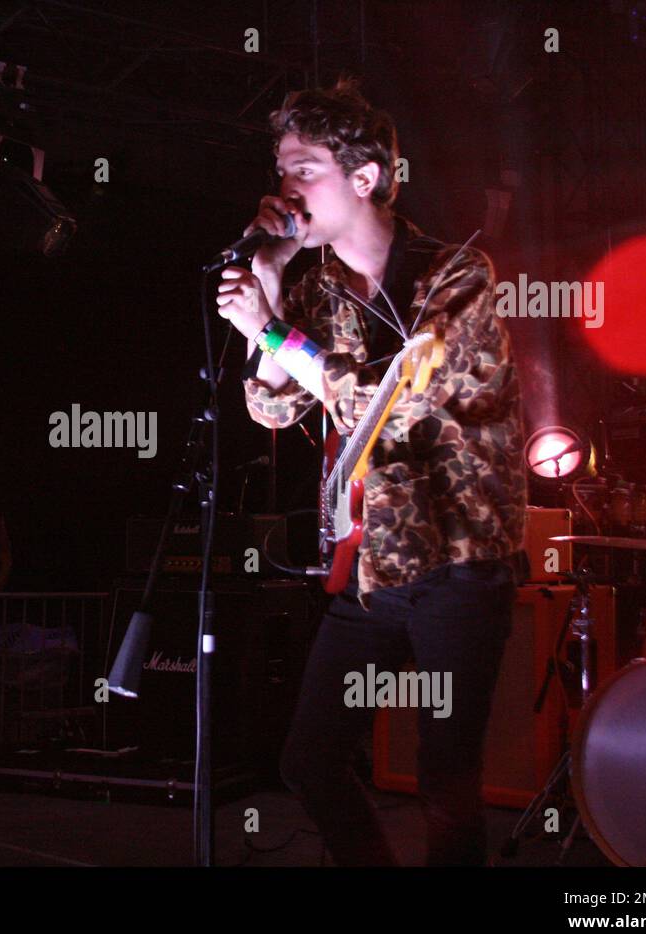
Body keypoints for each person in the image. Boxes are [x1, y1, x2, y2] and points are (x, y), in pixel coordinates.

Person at [217, 78, 528, 866]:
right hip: (374, 568)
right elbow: (275, 411)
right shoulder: (318, 288)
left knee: (446, 782)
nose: (286, 188)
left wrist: (275, 332)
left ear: (365, 179)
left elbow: (396, 403)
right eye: (281, 169)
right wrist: (275, 296)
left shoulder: (456, 274)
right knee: (309, 762)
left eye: (305, 169)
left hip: (460, 563)